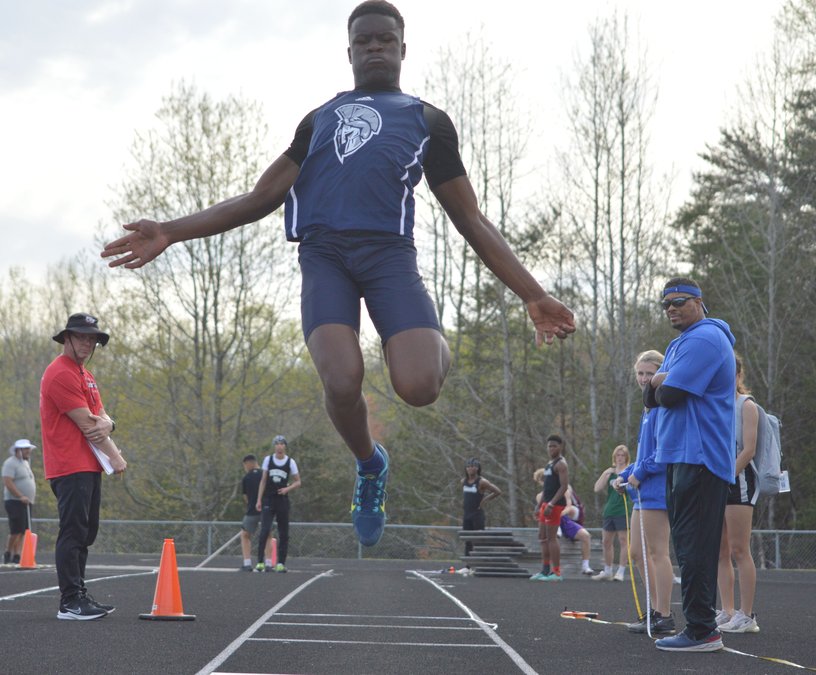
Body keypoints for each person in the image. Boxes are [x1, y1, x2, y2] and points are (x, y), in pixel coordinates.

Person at [101, 0, 575, 549]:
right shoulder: (320, 119)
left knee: (418, 386)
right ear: (349, 50)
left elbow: (468, 217)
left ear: (402, 47)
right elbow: (260, 197)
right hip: (325, 256)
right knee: (342, 378)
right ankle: (370, 466)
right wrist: (171, 231)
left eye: (386, 39)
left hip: (389, 256)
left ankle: (428, 339)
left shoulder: (427, 121)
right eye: (364, 40)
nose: (375, 47)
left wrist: (532, 294)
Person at [647, 278, 736, 652]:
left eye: (679, 301)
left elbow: (667, 394)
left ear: (699, 301)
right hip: (680, 456)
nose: (671, 308)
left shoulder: (704, 338)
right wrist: (658, 380)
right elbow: (650, 398)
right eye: (665, 303)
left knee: (695, 547)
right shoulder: (677, 343)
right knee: (687, 546)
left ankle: (702, 631)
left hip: (698, 457)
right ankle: (699, 627)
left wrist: (660, 380)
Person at [40, 313, 127, 620]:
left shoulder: (84, 375)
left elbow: (101, 416)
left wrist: (111, 423)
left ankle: (80, 595)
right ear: (67, 338)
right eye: (82, 337)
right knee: (73, 531)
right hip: (69, 464)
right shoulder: (61, 373)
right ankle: (70, 601)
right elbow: (89, 424)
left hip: (88, 463)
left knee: (86, 532)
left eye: (92, 338)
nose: (88, 343)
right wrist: (116, 458)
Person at [614, 350, 675, 635]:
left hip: (658, 489)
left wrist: (638, 474)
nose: (643, 378)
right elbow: (644, 454)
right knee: (637, 553)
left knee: (657, 552)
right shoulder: (647, 408)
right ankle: (653, 611)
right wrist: (625, 475)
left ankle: (665, 613)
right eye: (640, 373)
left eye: (649, 373)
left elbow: (664, 454)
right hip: (642, 491)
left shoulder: (664, 405)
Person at [716, 353, 760, 633]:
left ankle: (747, 615)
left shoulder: (746, 405)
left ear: (738, 375)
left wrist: (726, 475)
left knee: (739, 549)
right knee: (719, 550)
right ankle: (728, 610)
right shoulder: (714, 405)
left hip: (739, 480)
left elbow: (749, 450)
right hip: (714, 482)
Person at [255, 435, 301, 572]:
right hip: (269, 499)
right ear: (274, 446)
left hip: (282, 500)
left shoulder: (290, 462)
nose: (279, 446)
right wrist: (259, 499)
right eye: (277, 444)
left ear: (285, 446)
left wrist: (288, 488)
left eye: (282, 444)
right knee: (264, 530)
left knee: (283, 532)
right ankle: (260, 562)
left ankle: (280, 563)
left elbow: (298, 481)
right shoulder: (268, 460)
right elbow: (263, 481)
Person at [530, 435, 569, 581]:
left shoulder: (561, 464)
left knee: (552, 538)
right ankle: (545, 570)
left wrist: (552, 504)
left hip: (555, 505)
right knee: (542, 537)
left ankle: (556, 572)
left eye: (554, 446)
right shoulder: (549, 463)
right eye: (549, 446)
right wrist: (539, 505)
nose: (551, 448)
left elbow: (564, 487)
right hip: (545, 504)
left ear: (560, 447)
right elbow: (546, 487)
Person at [592, 445, 632, 582]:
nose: (620, 458)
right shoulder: (611, 472)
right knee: (606, 541)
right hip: (609, 510)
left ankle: (621, 571)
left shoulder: (629, 471)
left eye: (622, 455)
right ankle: (608, 570)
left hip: (623, 509)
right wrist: (605, 473)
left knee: (623, 541)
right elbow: (597, 488)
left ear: (626, 457)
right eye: (617, 455)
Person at [3, 439, 37, 564]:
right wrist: (20, 495)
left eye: (29, 449)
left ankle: (17, 555)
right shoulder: (10, 463)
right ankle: (8, 552)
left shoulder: (25, 463)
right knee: (16, 530)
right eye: (26, 449)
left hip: (26, 502)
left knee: (24, 530)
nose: (28, 451)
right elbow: (8, 482)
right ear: (18, 450)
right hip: (14, 501)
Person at [461, 458, 502, 560]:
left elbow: (497, 491)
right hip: (467, 514)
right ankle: (468, 566)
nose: (470, 468)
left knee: (479, 540)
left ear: (477, 468)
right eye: (468, 466)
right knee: (468, 540)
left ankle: (481, 563)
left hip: (477, 514)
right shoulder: (463, 481)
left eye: (473, 466)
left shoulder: (482, 482)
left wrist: (485, 500)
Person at [239, 453, 274, 571]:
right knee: (268, 536)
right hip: (267, 510)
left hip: (252, 511)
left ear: (248, 464)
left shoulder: (246, 477)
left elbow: (246, 497)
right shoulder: (266, 475)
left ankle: (247, 563)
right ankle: (268, 563)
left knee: (245, 535)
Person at [558, 484, 594, 576]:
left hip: (566, 520)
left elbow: (571, 508)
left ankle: (585, 566)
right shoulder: (545, 492)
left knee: (586, 536)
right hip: (552, 520)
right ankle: (551, 568)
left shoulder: (566, 487)